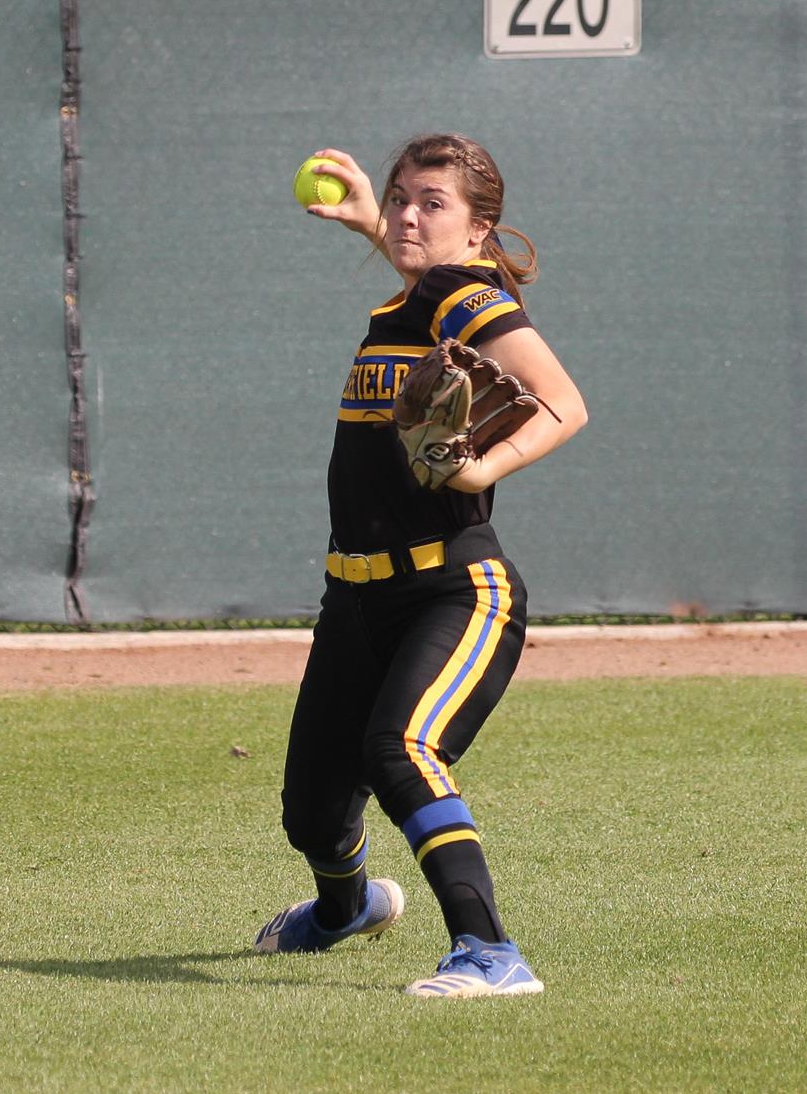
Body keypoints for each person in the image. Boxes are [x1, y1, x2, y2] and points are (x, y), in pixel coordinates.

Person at [252, 134, 588, 998]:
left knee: (402, 747)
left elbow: (563, 402)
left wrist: (480, 468)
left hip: (453, 587)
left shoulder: (456, 292)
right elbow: (418, 282)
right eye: (401, 195)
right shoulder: (418, 301)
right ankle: (345, 908)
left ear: (478, 233)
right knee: (313, 815)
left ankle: (490, 952)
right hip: (355, 598)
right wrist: (373, 221)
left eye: (430, 203)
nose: (407, 212)